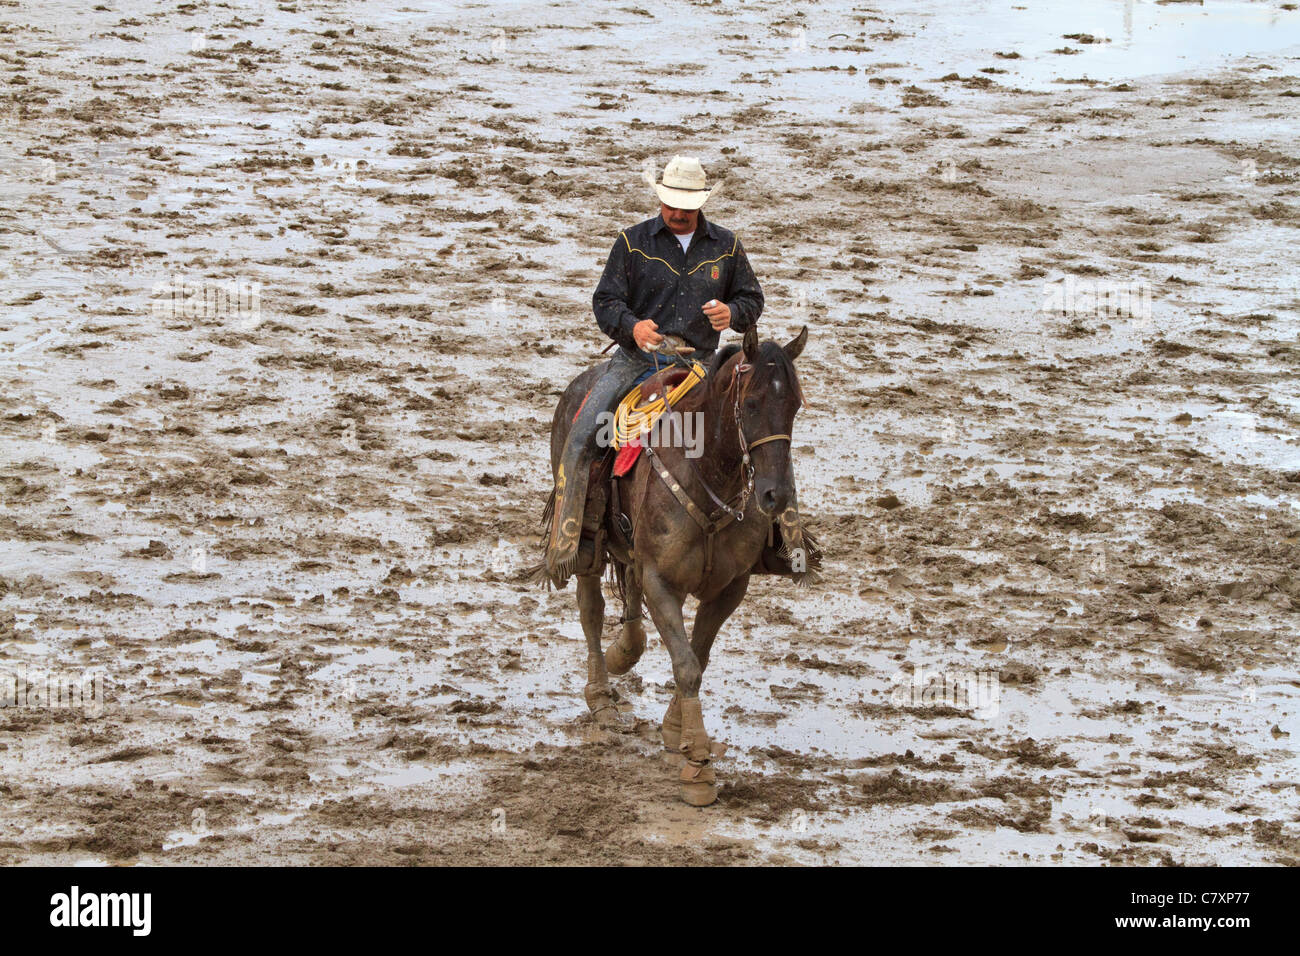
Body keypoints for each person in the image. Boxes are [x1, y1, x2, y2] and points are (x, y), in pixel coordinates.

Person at [544, 155, 765, 582]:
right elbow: (605, 301)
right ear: (660, 200)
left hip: (702, 364)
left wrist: (733, 313)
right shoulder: (632, 243)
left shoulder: (727, 246)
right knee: (586, 433)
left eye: (686, 207)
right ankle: (573, 537)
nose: (678, 214)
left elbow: (752, 300)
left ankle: (776, 537)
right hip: (637, 361)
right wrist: (633, 326)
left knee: (759, 432)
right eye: (671, 206)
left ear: (700, 204)